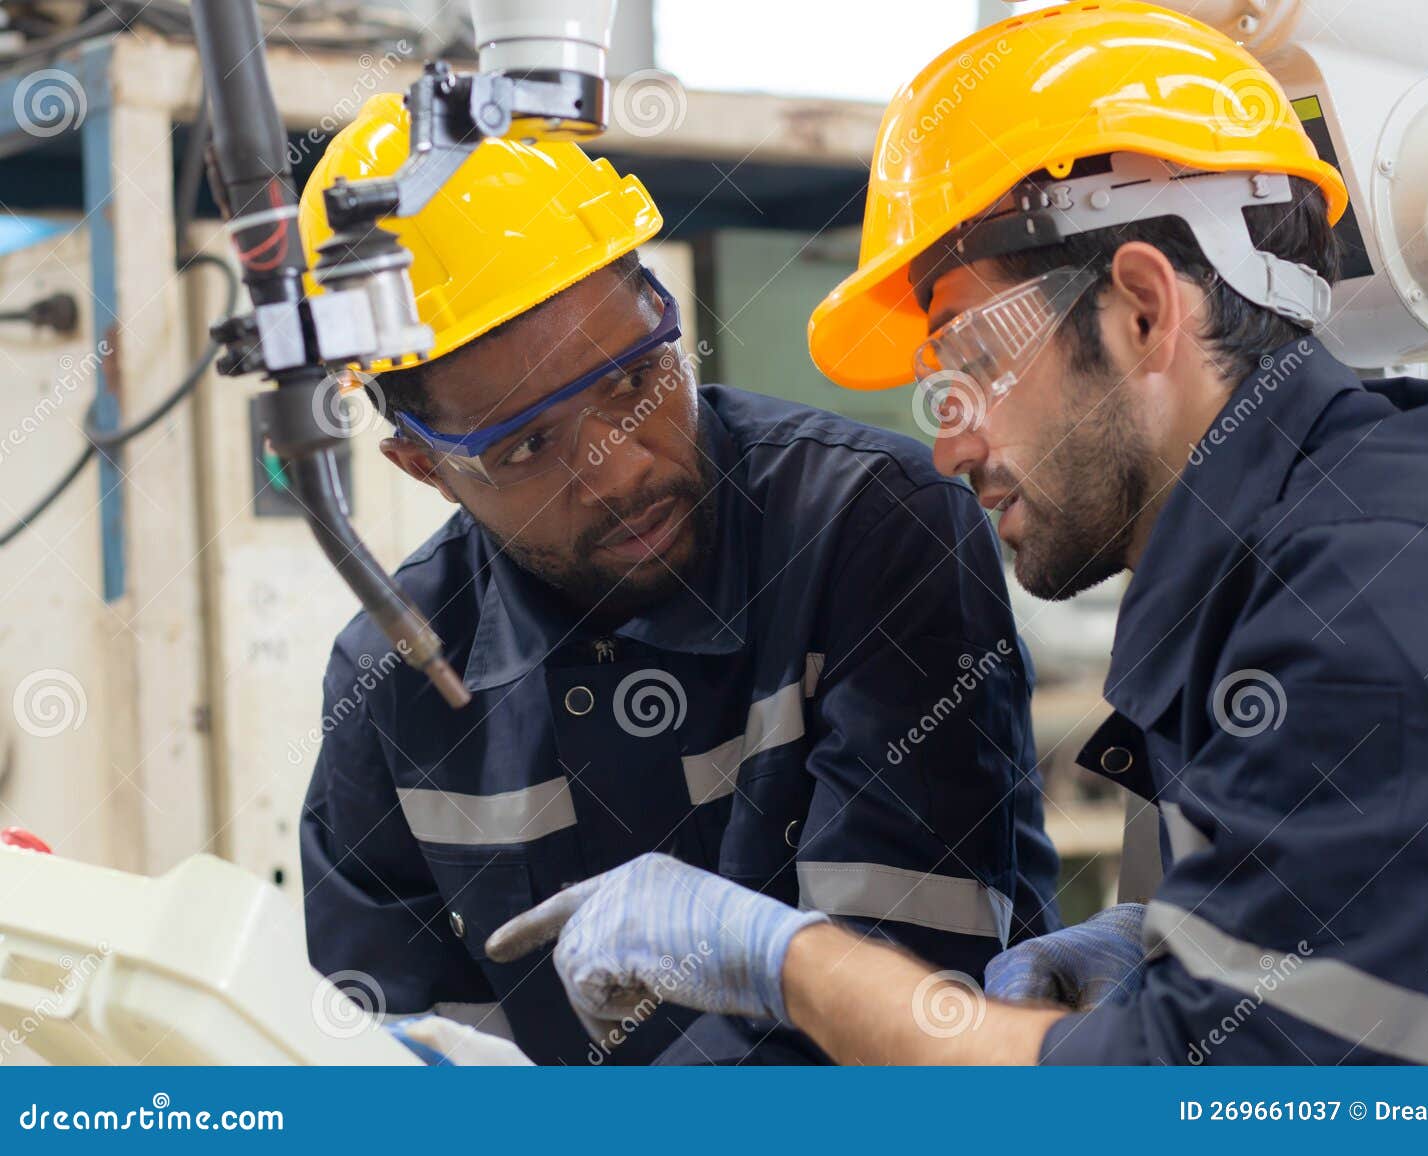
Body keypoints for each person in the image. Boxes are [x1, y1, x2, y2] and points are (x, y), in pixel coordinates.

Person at [482, 0, 1428, 1064]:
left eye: (971, 363)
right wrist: (1178, 951)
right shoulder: (1365, 510)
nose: (948, 447)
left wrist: (785, 961)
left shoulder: (1380, 594)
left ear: (1146, 309)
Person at [296, 93, 1065, 1066]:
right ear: (421, 464)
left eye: (629, 379)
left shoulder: (867, 528)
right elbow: (377, 1049)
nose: (619, 467)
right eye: (528, 444)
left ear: (663, 313)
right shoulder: (395, 674)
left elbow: (909, 1019)